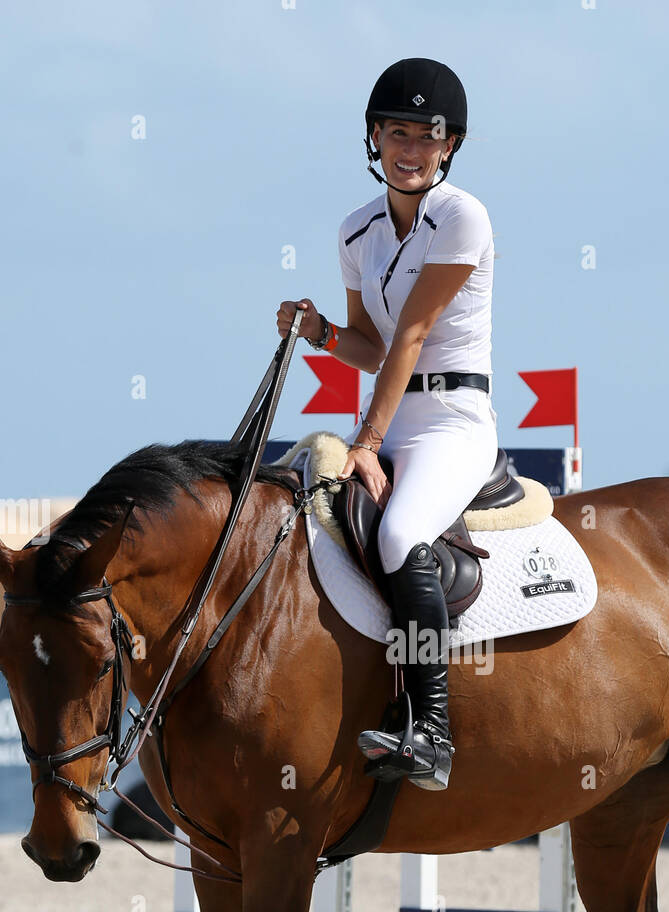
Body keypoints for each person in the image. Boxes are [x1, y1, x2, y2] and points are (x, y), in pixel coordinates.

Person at [276, 57, 497, 791]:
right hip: (394, 414)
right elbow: (371, 345)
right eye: (395, 131)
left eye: (425, 136)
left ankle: (431, 732)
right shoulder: (355, 231)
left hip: (454, 421)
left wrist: (367, 443)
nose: (409, 148)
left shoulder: (463, 216)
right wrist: (321, 333)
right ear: (374, 138)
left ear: (449, 146)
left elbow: (411, 336)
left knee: (401, 532)